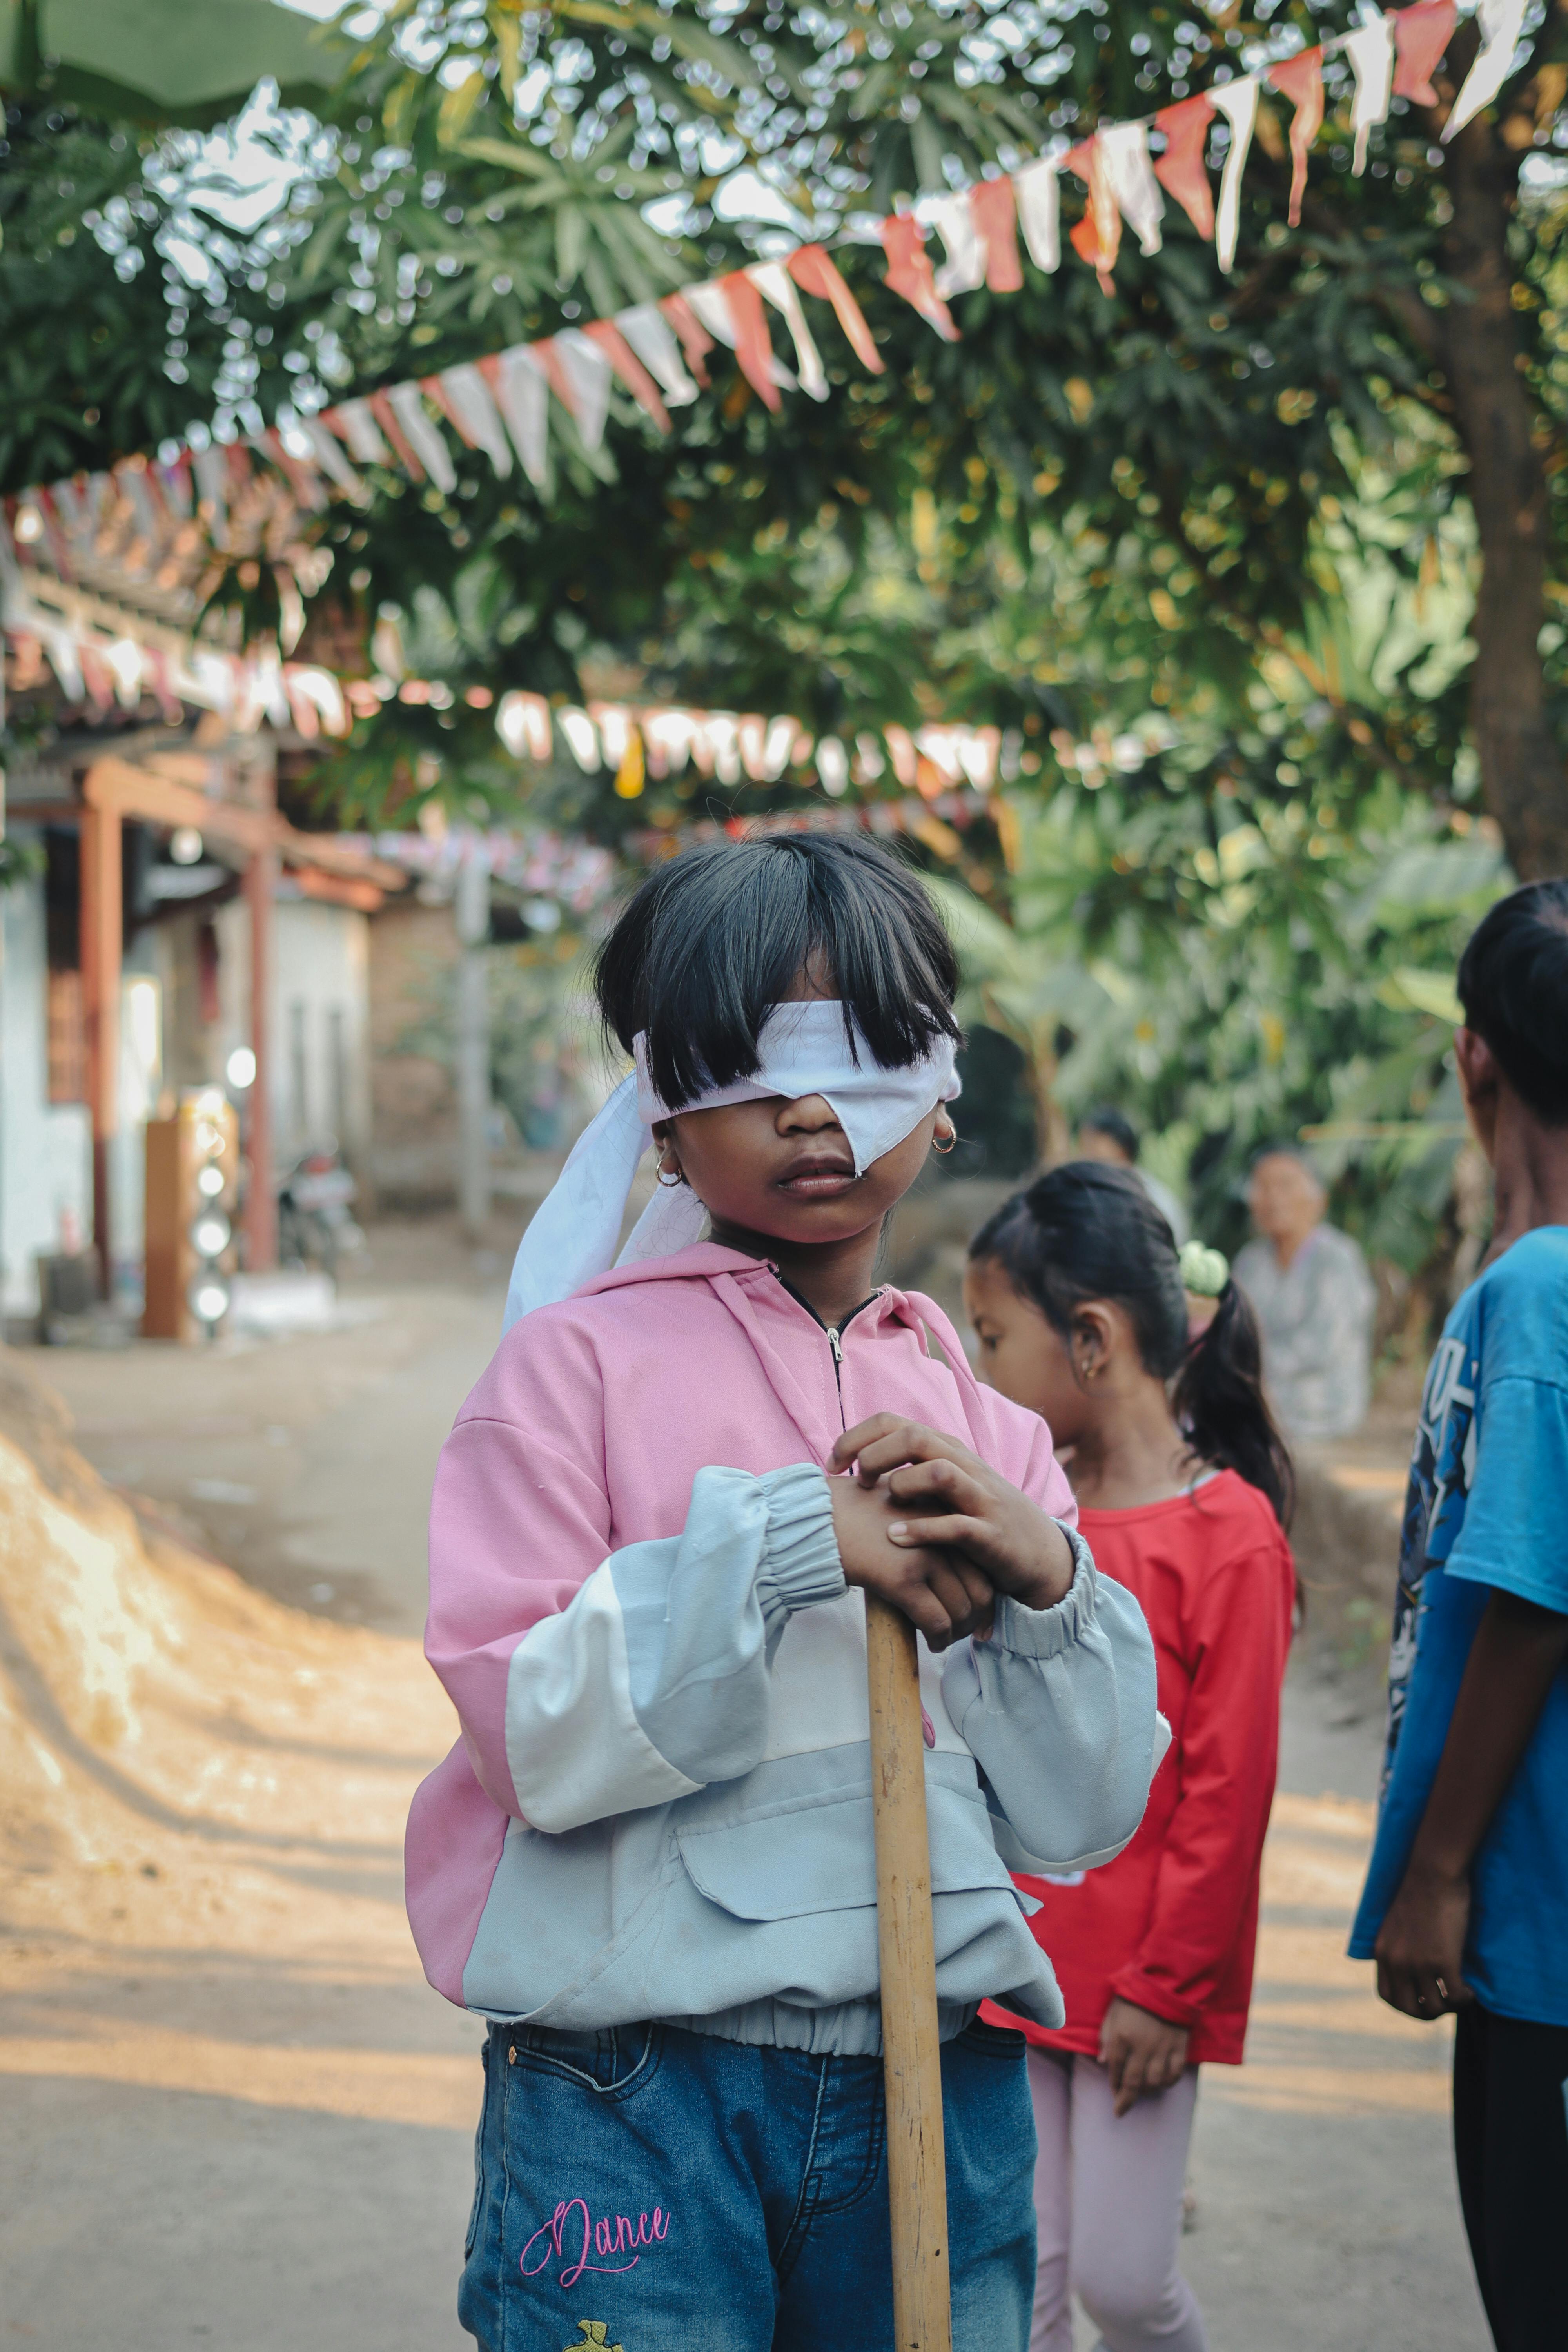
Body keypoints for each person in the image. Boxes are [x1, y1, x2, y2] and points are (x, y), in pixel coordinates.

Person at [406, 835, 1160, 2352]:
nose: (814, 1110)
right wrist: (786, 1548)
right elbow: (533, 1736)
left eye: (863, 1055)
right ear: (665, 1121)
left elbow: (1080, 1814)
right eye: (752, 1065)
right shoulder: (567, 1373)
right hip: (633, 2096)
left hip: (937, 2087)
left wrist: (1047, 1580)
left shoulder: (993, 1432)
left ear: (940, 1099)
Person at [964, 1165, 1296, 2352]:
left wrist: (1168, 1987)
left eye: (992, 1336)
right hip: (1015, 1970)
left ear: (1092, 1339)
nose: (979, 1370)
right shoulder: (1028, 1513)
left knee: (1124, 2280)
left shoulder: (1229, 1536)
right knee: (1023, 2287)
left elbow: (1227, 1792)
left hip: (1139, 1990)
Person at [1349, 880, 1568, 2352]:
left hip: (1540, 1917)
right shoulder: (1522, 1276)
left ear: (1469, 1054)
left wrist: (1434, 1872)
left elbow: (1536, 1595)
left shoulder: (1539, 1288)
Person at [1232, 1147, 1375, 1440]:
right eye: (1263, 1188)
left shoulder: (1336, 1258)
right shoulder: (1250, 1261)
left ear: (1317, 1200)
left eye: (1285, 1186)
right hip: (1262, 1395)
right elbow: (1237, 1331)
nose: (1273, 1198)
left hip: (1320, 1406)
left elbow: (1321, 1345)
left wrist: (1246, 1370)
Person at [1076, 1105, 1189, 1243]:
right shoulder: (1086, 1199)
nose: (1085, 1160)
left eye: (1093, 1152)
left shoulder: (1155, 1200)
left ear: (1122, 1153)